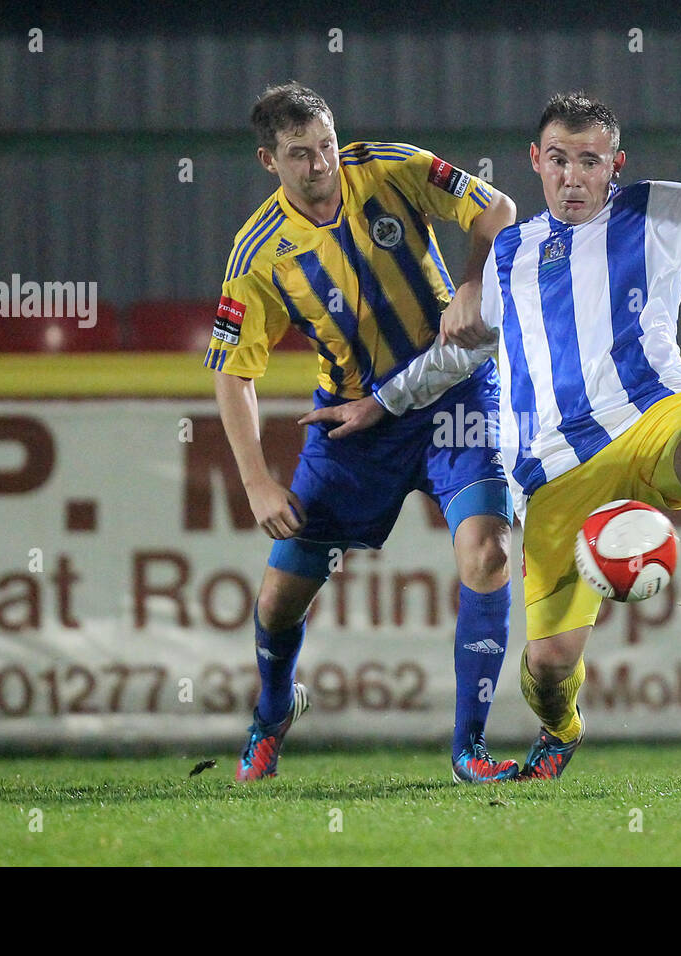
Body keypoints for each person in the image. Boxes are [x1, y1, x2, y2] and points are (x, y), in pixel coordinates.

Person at [301, 88, 681, 780]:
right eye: (559, 160)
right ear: (535, 161)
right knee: (547, 667)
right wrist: (380, 404)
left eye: (590, 162)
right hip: (556, 465)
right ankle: (563, 727)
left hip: (651, 410)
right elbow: (459, 355)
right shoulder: (509, 253)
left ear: (615, 166)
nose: (574, 177)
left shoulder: (656, 209)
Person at [206, 81, 521, 783]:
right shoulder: (258, 252)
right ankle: (274, 711)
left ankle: (468, 749)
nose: (320, 164)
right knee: (279, 599)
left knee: (488, 554)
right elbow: (233, 372)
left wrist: (473, 281)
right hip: (353, 424)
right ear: (268, 161)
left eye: (325, 144)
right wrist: (257, 482)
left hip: (452, 395)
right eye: (299, 154)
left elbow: (497, 209)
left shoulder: (389, 167)